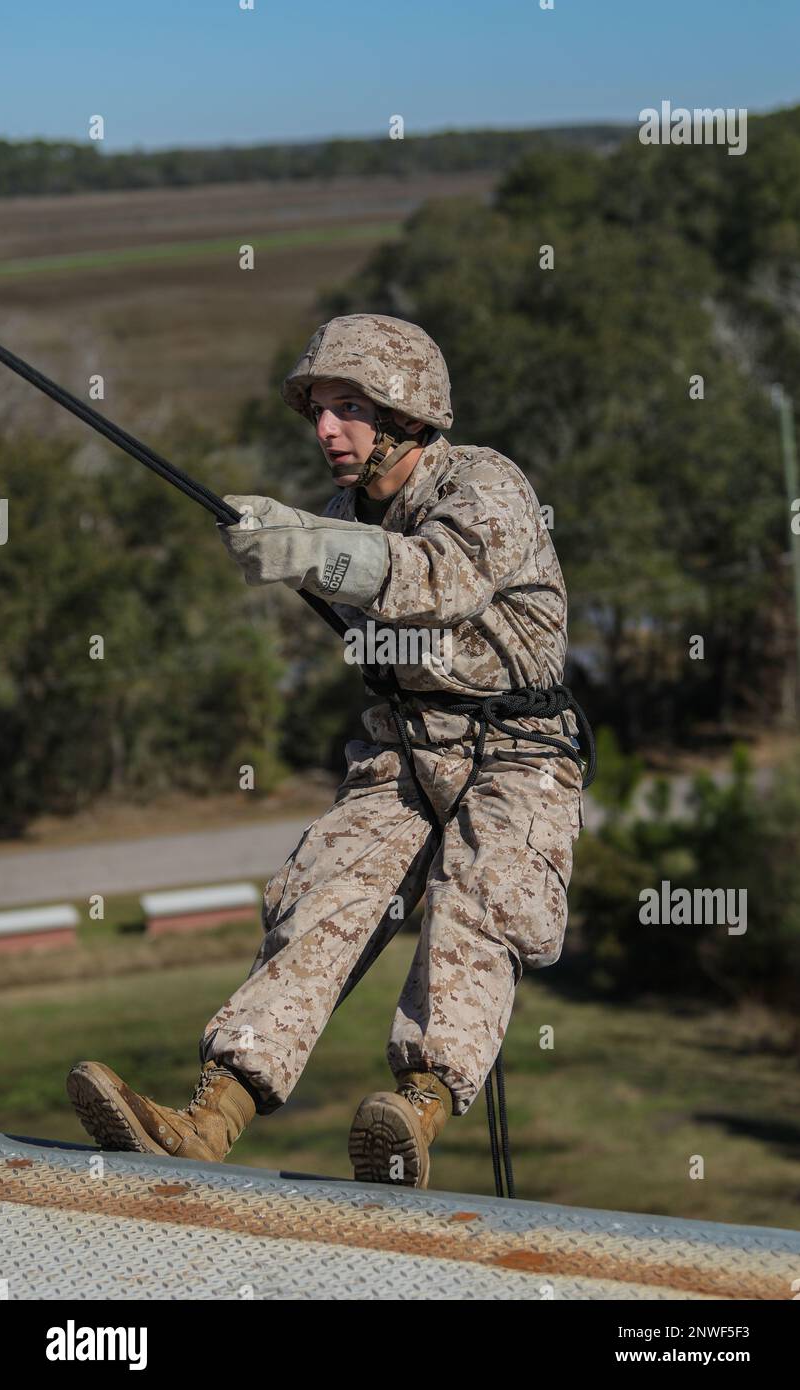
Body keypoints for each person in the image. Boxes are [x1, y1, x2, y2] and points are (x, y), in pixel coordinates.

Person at [67, 313, 587, 1190]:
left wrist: (312, 550)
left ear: (406, 413)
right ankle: (209, 1116)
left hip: (518, 751)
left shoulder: (487, 485)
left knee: (482, 906)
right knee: (324, 894)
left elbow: (436, 578)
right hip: (406, 748)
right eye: (316, 410)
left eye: (348, 408)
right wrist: (309, 546)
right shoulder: (349, 514)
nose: (325, 430)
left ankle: (413, 1115)